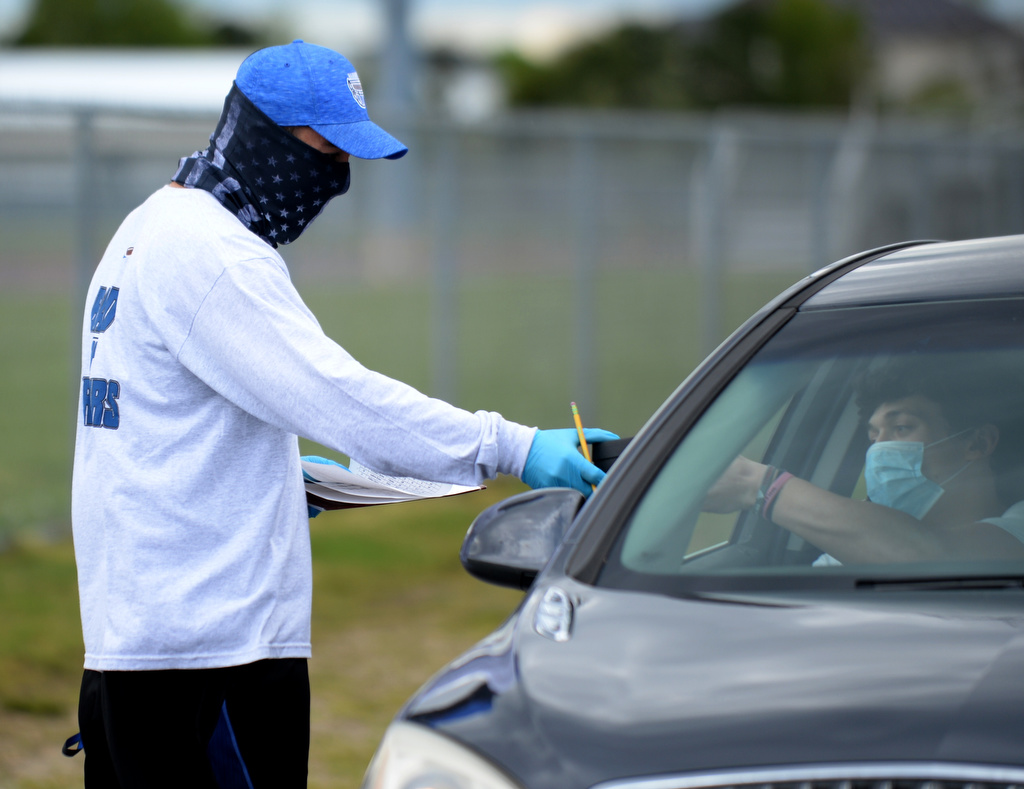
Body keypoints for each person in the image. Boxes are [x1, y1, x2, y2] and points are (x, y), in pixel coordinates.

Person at [70, 40, 617, 787]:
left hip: (143, 651)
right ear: (259, 133)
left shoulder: (150, 227)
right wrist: (514, 445)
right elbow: (346, 400)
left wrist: (266, 471)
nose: (337, 176)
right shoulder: (216, 254)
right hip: (213, 658)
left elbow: (149, 425)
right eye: (325, 148)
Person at [703, 357, 1024, 565]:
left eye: (902, 428)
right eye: (873, 435)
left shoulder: (1017, 527)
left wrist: (756, 485)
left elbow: (930, 556)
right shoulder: (841, 556)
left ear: (978, 442)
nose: (878, 449)